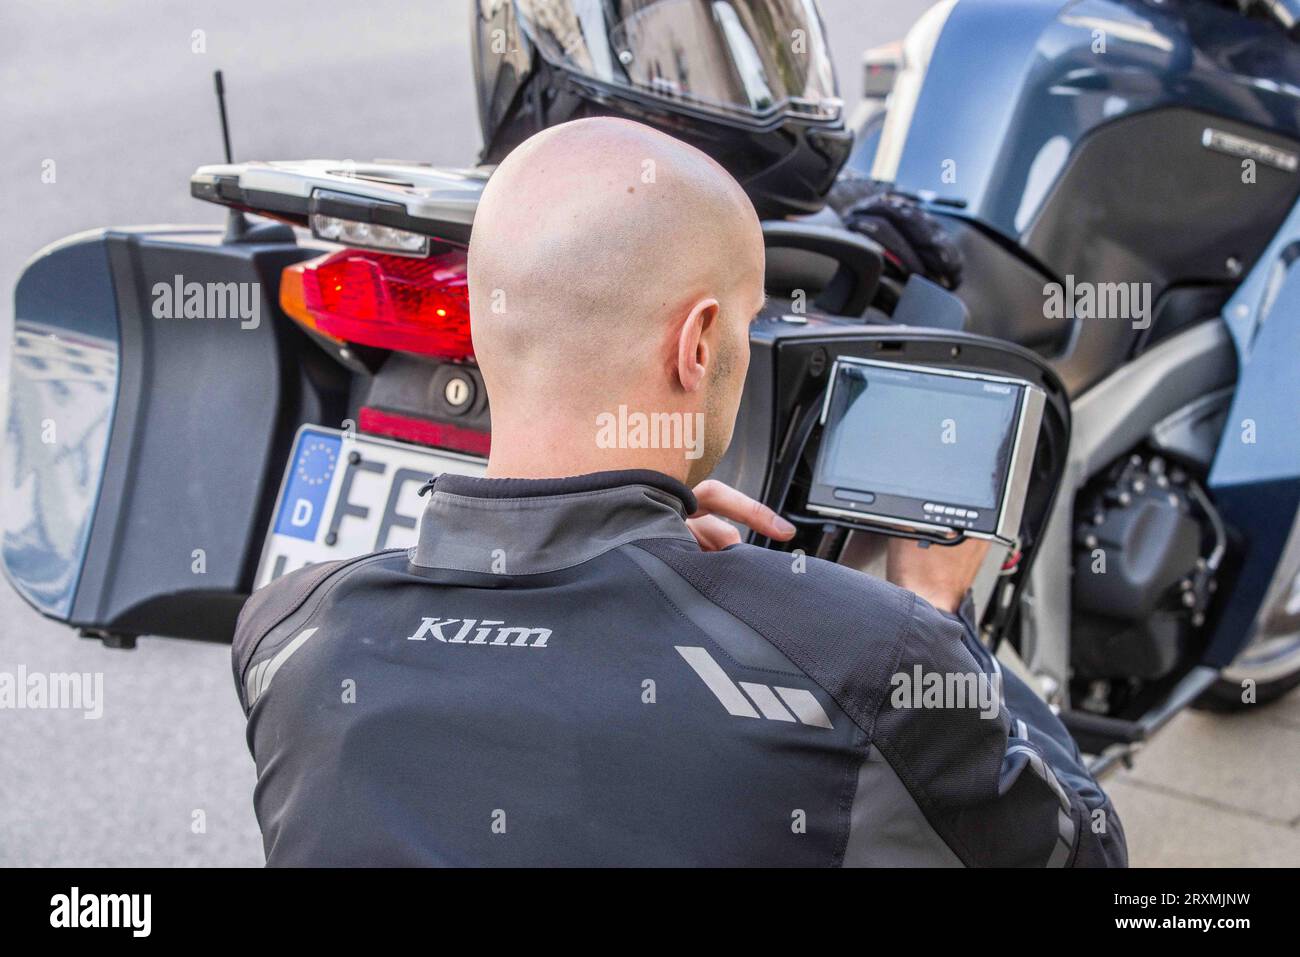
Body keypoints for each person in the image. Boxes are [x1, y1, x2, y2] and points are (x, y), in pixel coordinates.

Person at [233, 117, 1126, 867]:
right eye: (746, 322)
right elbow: (1086, 851)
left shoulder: (288, 637)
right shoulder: (873, 661)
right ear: (698, 344)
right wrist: (938, 614)